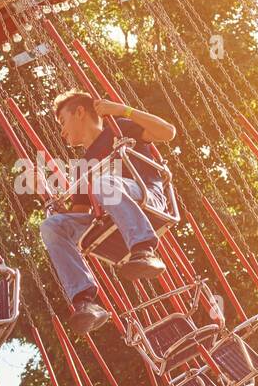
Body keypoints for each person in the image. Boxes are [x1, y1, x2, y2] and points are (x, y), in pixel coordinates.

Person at [40, 90, 177, 335]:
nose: (61, 132)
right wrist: (62, 212)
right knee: (51, 226)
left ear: (80, 112)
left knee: (105, 183)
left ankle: (144, 248)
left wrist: (122, 110)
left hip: (145, 195)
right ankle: (85, 300)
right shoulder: (82, 167)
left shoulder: (119, 128)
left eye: (62, 122)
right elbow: (81, 210)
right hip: (108, 211)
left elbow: (167, 132)